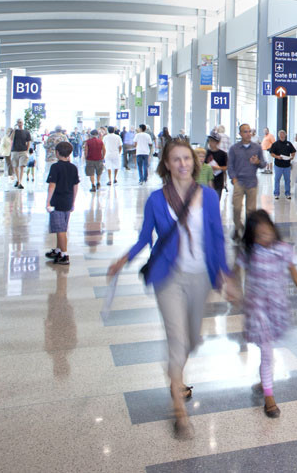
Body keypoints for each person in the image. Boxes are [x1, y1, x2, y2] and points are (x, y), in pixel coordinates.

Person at [106, 140, 231, 440]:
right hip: (169, 277)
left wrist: (225, 274)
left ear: (195, 162)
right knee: (177, 340)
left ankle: (177, 377)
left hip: (200, 276)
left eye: (187, 158)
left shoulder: (209, 197)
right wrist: (124, 258)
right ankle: (179, 410)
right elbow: (144, 238)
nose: (182, 164)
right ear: (166, 164)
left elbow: (217, 238)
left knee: (191, 340)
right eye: (175, 159)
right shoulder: (156, 200)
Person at [231, 209, 297, 418]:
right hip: (257, 310)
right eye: (260, 235)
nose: (265, 237)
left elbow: (296, 276)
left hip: (276, 308)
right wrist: (235, 293)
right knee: (267, 350)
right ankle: (269, 397)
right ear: (252, 237)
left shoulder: (283, 250)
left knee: (268, 351)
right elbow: (235, 272)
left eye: (268, 232)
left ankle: (264, 380)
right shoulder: (249, 254)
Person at [43, 142, 79, 266]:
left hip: (57, 202)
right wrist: (73, 201)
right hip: (68, 201)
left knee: (61, 230)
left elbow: (52, 185)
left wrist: (48, 201)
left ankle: (64, 254)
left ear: (57, 153)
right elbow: (76, 186)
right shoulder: (73, 167)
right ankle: (58, 250)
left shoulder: (55, 167)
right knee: (62, 227)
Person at [228, 124, 263, 239]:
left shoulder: (257, 148)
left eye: (249, 131)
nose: (248, 134)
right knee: (236, 208)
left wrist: (258, 162)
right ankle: (238, 227)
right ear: (240, 134)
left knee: (251, 211)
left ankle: (248, 233)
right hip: (239, 182)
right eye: (245, 131)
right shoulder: (234, 148)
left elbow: (263, 164)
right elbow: (230, 165)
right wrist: (233, 178)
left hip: (252, 182)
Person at [269, 130, 295, 200]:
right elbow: (271, 153)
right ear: (279, 136)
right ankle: (276, 194)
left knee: (287, 180)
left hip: (287, 165)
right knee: (277, 180)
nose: (282, 136)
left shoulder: (289, 144)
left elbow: (293, 152)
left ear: (285, 135)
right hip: (278, 165)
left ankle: (288, 193)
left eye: (283, 135)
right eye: (281, 135)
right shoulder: (275, 144)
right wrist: (277, 157)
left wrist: (292, 156)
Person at [205, 133, 228, 198]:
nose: (210, 143)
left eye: (213, 141)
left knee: (216, 200)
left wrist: (219, 168)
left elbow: (226, 167)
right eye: (209, 141)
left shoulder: (223, 154)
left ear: (217, 142)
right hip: (206, 181)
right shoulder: (205, 153)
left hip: (218, 181)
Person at [10, 119, 31, 189]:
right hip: (15, 150)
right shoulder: (14, 132)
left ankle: (20, 182)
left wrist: (27, 151)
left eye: (21, 122)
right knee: (15, 166)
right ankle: (18, 180)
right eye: (18, 122)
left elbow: (28, 142)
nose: (20, 124)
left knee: (21, 166)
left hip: (23, 151)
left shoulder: (26, 132)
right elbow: (10, 139)